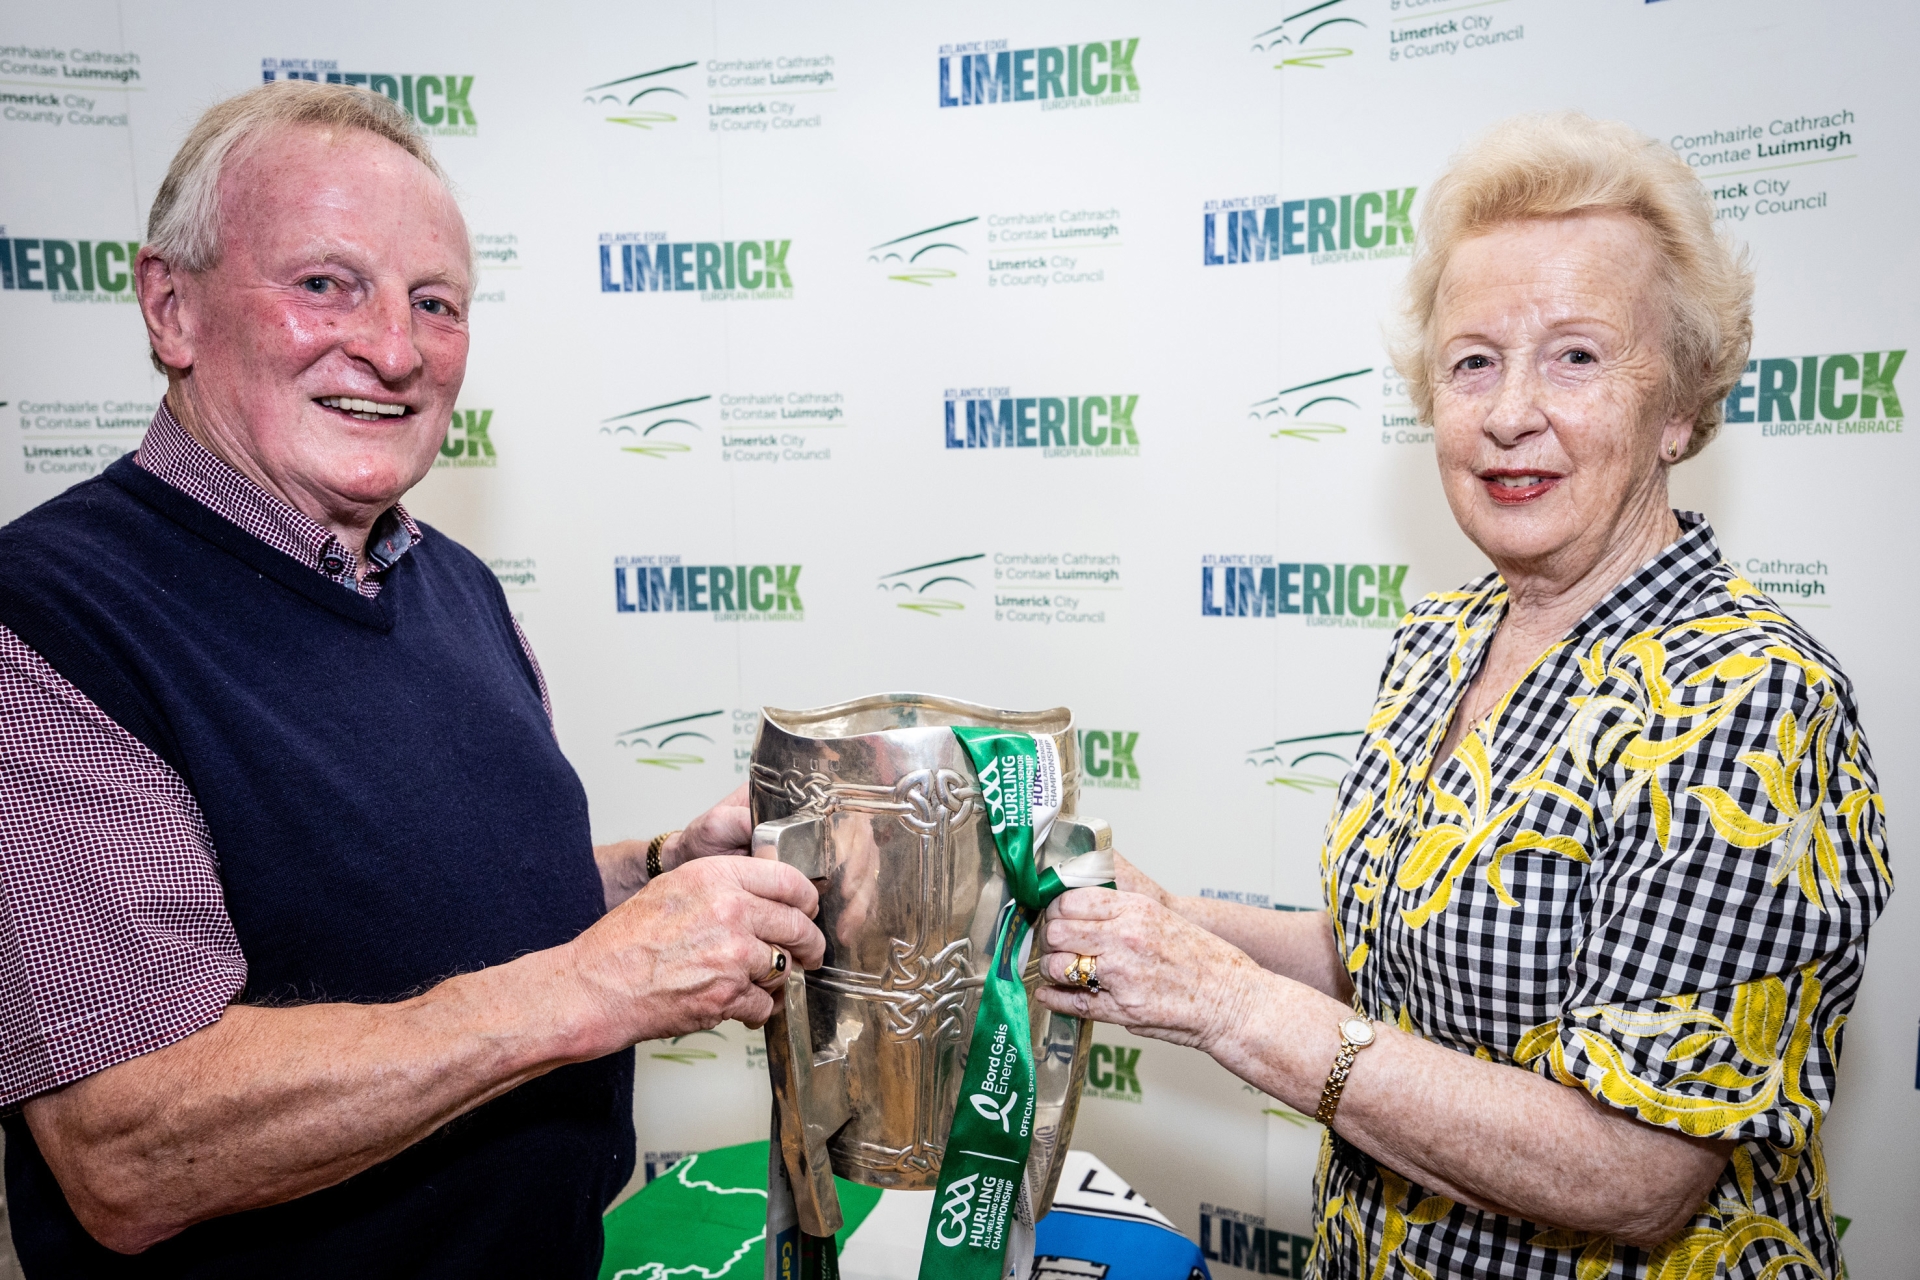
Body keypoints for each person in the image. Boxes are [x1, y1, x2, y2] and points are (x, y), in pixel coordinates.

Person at [1036, 113, 1889, 1278]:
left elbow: (1635, 1171)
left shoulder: (1747, 699)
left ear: (1680, 405)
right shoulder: (1444, 637)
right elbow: (1394, 962)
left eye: (1577, 356)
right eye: (1473, 360)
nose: (1507, 412)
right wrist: (1169, 921)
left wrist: (1225, 1003)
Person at [0, 81, 824, 1276]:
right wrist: (595, 987)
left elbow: (413, 899)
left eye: (433, 302)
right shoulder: (49, 617)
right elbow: (129, 1145)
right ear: (170, 306)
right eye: (325, 283)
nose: (393, 348)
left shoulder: (454, 583)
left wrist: (645, 876)